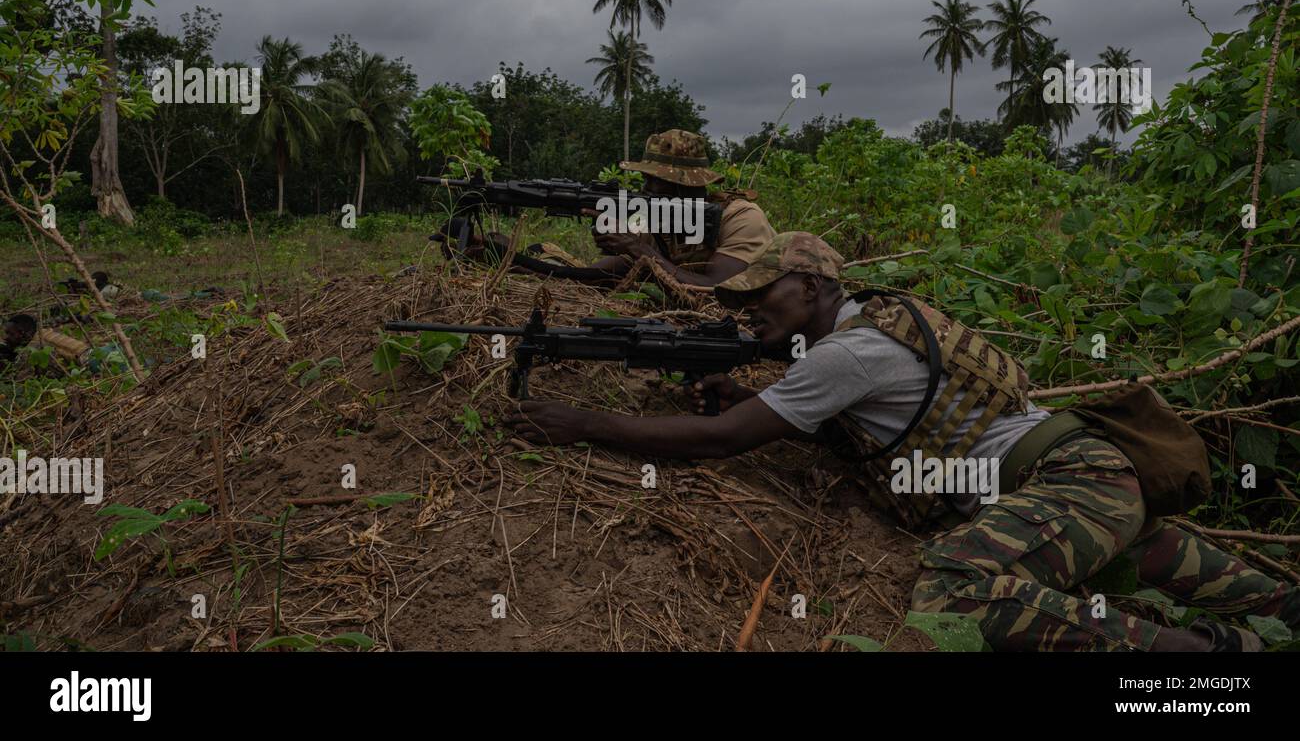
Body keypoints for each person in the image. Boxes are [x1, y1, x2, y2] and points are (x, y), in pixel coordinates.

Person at [506, 231, 1300, 651]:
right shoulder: (885, 321)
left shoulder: (847, 352)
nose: (751, 310)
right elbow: (872, 423)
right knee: (1186, 570)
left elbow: (723, 442)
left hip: (1065, 484)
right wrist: (756, 385)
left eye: (764, 294)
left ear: (812, 288)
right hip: (1081, 475)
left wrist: (582, 425)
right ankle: (1270, 616)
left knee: (954, 588)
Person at [585, 129, 775, 287]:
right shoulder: (662, 218)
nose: (646, 188)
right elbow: (623, 264)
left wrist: (637, 248)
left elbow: (719, 289)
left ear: (686, 185)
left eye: (655, 180)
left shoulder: (741, 217)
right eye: (646, 179)